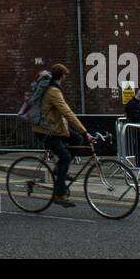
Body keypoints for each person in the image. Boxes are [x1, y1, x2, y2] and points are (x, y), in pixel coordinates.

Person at [27, 63, 92, 206]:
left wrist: (80, 133)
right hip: (46, 132)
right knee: (66, 156)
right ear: (62, 76)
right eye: (65, 76)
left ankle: (59, 169)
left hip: (55, 129)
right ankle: (59, 194)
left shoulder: (52, 88)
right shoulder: (53, 91)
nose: (65, 78)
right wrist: (85, 131)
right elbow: (67, 112)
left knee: (77, 139)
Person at [124, 89, 140, 168]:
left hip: (138, 128)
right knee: (138, 146)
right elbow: (132, 116)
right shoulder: (132, 104)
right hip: (136, 128)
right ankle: (139, 163)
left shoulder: (134, 103)